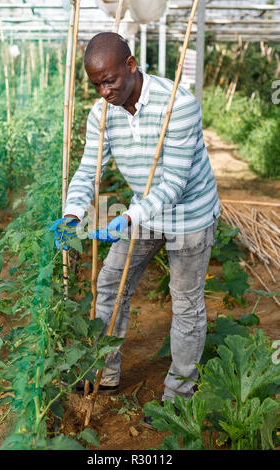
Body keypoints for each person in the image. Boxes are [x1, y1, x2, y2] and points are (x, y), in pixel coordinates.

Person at [51, 32, 220, 428]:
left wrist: (127, 217)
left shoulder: (179, 104)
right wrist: (74, 213)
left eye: (110, 80)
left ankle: (179, 394)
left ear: (131, 65)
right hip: (143, 213)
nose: (104, 90)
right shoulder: (102, 114)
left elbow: (174, 183)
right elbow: (89, 170)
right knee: (110, 283)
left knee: (186, 304)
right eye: (96, 84)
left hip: (189, 216)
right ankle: (104, 372)